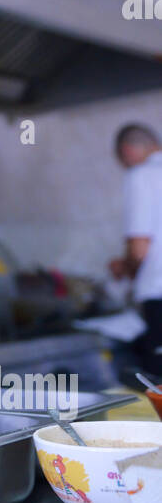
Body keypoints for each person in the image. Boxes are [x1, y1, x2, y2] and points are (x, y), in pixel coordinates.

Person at [111, 122, 162, 379]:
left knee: (158, 384)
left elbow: (140, 248)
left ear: (127, 151)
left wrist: (126, 267)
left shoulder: (142, 175)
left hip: (159, 296)